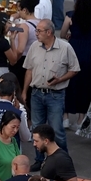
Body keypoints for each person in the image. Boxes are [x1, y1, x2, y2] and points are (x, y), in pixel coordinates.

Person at [23, 20, 80, 166]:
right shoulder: (34, 47)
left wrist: (60, 79)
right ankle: (39, 159)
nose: (36, 34)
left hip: (55, 94)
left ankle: (63, 161)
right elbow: (29, 69)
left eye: (39, 31)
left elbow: (74, 69)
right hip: (36, 93)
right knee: (37, 129)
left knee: (57, 130)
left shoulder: (65, 47)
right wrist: (24, 91)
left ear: (49, 32)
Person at [60, 0, 91, 132]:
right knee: (86, 85)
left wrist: (71, 36)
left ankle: (65, 117)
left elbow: (63, 33)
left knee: (69, 84)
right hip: (90, 53)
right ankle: (81, 118)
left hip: (73, 51)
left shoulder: (71, 15)